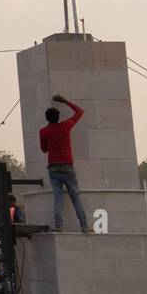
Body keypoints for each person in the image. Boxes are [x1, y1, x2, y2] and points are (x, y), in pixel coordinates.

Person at [41, 94, 89, 232]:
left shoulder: (44, 131)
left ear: (47, 118)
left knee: (58, 197)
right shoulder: (66, 126)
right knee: (75, 197)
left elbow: (44, 149)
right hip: (67, 165)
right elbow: (80, 111)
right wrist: (65, 101)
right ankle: (84, 226)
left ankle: (59, 226)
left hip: (53, 167)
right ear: (59, 116)